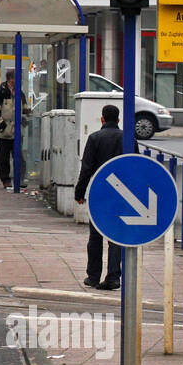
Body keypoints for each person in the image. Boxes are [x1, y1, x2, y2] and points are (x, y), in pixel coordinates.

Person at [74, 104, 126, 290]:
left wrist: (80, 192)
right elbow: (135, 166)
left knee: (95, 236)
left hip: (99, 193)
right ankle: (113, 277)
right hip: (122, 195)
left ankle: (93, 276)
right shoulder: (127, 139)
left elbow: (86, 168)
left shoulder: (95, 138)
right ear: (118, 120)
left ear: (102, 119)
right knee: (115, 236)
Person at [0, 69, 28, 188]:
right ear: (10, 79)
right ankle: (5, 180)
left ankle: (20, 179)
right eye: (16, 78)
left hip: (16, 132)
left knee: (20, 157)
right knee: (4, 157)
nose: (19, 81)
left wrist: (24, 120)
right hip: (3, 133)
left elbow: (25, 110)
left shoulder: (20, 94)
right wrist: (2, 127)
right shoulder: (1, 92)